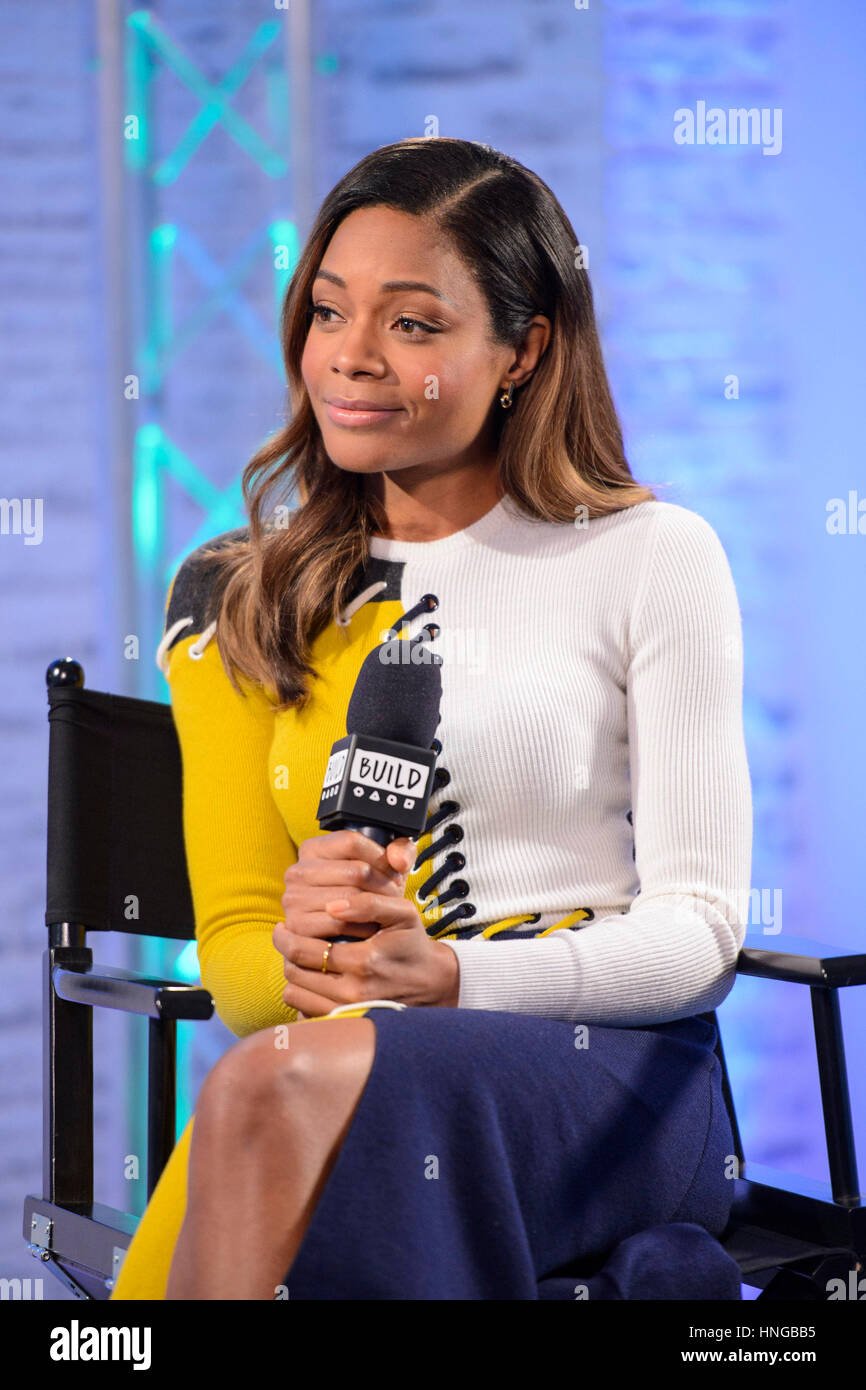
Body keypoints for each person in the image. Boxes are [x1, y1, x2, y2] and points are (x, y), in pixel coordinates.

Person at [110, 137, 751, 1302]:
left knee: (269, 1092)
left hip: (606, 1073)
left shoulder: (653, 556)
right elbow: (241, 956)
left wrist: (452, 976)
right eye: (327, 312)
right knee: (273, 1081)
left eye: (412, 324)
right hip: (347, 1051)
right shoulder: (239, 595)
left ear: (523, 348)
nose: (348, 359)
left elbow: (700, 936)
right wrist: (315, 949)